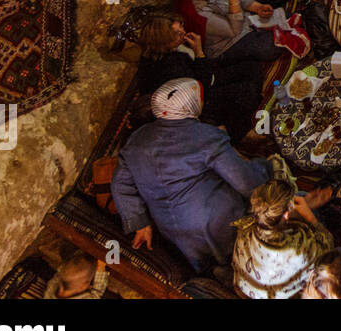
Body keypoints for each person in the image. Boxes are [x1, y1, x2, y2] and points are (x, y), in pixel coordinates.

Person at [110, 78, 273, 273]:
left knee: (206, 257)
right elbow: (246, 183)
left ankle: (213, 270)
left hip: (174, 233)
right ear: (192, 105)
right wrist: (265, 168)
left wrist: (140, 223)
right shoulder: (205, 136)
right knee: (262, 176)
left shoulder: (137, 138)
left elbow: (119, 184)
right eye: (200, 98)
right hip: (220, 223)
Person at [137, 13, 265, 141]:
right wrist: (199, 52)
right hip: (196, 103)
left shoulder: (171, 48)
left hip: (201, 78)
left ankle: (255, 104)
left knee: (250, 67)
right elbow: (202, 86)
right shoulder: (171, 67)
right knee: (245, 91)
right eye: (177, 33)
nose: (183, 32)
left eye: (181, 26)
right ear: (164, 41)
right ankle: (239, 133)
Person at [231, 178, 335, 299]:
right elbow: (329, 246)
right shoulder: (302, 246)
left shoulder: (244, 229)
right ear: (286, 215)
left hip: (249, 292)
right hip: (279, 294)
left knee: (301, 197)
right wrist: (311, 218)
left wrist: (306, 204)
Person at [176, 0, 281, 65]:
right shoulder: (197, 14)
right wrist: (233, 0)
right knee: (270, 48)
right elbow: (234, 31)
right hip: (228, 44)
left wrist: (257, 7)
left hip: (245, 21)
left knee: (285, 19)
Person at [43, 255, 108, 300]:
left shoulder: (51, 287)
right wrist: (101, 269)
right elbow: (97, 293)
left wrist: (99, 268)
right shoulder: (52, 284)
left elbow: (58, 275)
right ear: (83, 286)